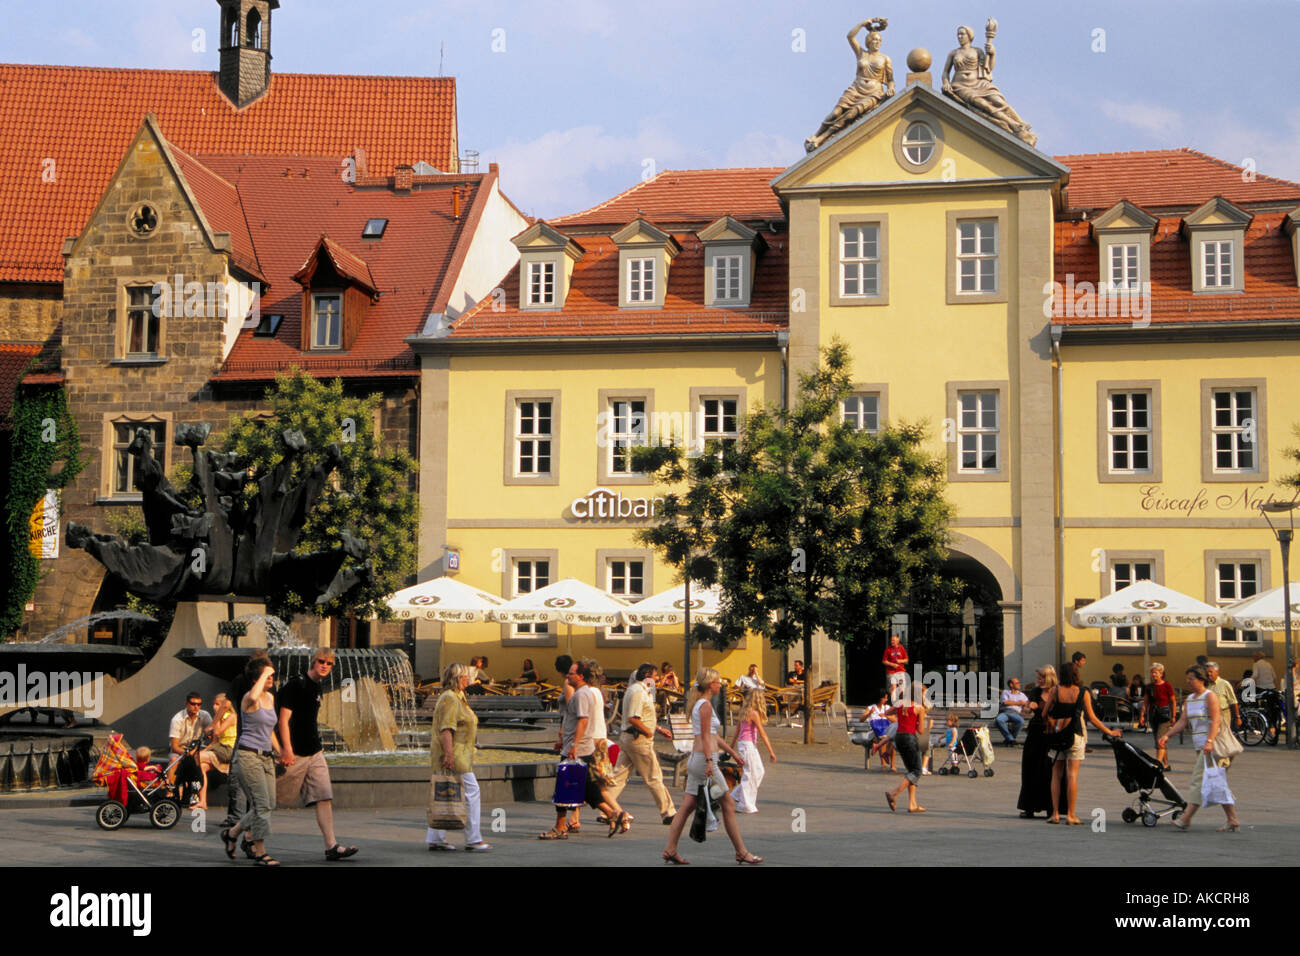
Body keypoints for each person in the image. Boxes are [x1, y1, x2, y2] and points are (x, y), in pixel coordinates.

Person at [662, 668, 763, 865]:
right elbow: (708, 738)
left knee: (687, 806)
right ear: (710, 685)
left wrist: (732, 753)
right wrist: (710, 761)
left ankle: (670, 849)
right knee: (728, 803)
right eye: (718, 682)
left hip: (697, 760)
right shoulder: (705, 706)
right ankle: (741, 852)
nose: (721, 685)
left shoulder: (701, 704)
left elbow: (713, 736)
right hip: (704, 762)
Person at [277, 648, 358, 861]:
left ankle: (331, 845)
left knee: (324, 796)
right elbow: (283, 719)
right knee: (269, 799)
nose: (325, 666)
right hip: (295, 753)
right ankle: (239, 832)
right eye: (321, 661)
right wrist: (286, 749)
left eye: (329, 663)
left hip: (314, 751)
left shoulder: (316, 687)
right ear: (313, 662)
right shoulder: (297, 684)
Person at [540, 659, 627, 839]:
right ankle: (613, 814)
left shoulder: (580, 695)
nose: (568, 675)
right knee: (586, 788)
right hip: (580, 747)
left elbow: (583, 720)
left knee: (565, 787)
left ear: (580, 676)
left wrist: (573, 744)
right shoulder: (585, 692)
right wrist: (565, 741)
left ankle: (560, 827)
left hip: (577, 749)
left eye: (571, 673)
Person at [1159, 666, 1241, 832]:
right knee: (1217, 781)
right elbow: (1183, 721)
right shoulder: (1190, 699)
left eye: (1191, 679)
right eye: (1187, 678)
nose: (1188, 682)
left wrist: (1210, 741)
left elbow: (1216, 720)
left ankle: (1186, 818)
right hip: (1200, 746)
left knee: (1198, 780)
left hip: (1212, 747)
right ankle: (1232, 819)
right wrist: (1168, 735)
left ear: (1201, 680)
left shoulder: (1209, 696)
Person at [1043, 662, 1121, 824]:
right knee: (1072, 775)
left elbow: (1044, 713)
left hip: (1056, 736)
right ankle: (1071, 815)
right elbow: (1092, 718)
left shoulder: (1055, 691)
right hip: (1075, 735)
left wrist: (1053, 723)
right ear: (1076, 674)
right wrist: (1109, 732)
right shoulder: (1083, 692)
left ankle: (1055, 813)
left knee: (1056, 775)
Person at [221, 658, 280, 866]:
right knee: (261, 805)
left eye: (272, 675)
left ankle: (232, 833)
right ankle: (260, 852)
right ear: (256, 678)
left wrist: (280, 751)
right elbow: (254, 694)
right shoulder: (249, 698)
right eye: (267, 675)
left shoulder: (270, 699)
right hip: (248, 756)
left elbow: (269, 729)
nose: (271, 678)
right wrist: (264, 672)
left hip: (266, 757)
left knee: (269, 803)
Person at [427, 662, 491, 852]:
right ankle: (473, 838)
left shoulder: (458, 696)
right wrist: (449, 754)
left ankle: (436, 838)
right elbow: (446, 728)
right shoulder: (450, 698)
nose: (468, 679)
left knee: (442, 791)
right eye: (465, 677)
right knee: (472, 793)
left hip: (458, 754)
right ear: (456, 678)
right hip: (455, 755)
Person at [805, 17, 894, 152]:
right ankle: (815, 135)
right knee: (835, 113)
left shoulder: (885, 59)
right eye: (874, 40)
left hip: (873, 92)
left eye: (879, 40)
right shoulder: (861, 53)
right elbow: (850, 36)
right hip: (856, 88)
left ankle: (822, 139)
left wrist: (891, 89)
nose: (877, 42)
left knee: (850, 115)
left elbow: (890, 79)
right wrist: (863, 24)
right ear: (869, 41)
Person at [940, 24, 1036, 144]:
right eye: (958, 34)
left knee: (998, 100)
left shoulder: (977, 51)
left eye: (962, 34)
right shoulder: (953, 53)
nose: (960, 37)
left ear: (969, 36)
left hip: (979, 83)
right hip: (960, 86)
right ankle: (1012, 124)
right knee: (983, 104)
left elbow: (988, 68)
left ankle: (1020, 123)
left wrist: (992, 54)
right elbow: (945, 72)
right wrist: (946, 82)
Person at [607, 663, 676, 824]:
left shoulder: (638, 690)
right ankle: (668, 813)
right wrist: (649, 731)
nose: (657, 678)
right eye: (655, 675)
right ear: (647, 676)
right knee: (653, 776)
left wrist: (657, 728)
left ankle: (607, 809)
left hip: (630, 738)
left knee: (619, 776)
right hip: (638, 739)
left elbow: (642, 716)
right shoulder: (638, 692)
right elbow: (633, 718)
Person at [1017, 665, 1057, 818]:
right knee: (1031, 768)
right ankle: (1029, 807)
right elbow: (1026, 709)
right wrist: (1028, 707)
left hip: (1051, 733)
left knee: (1050, 770)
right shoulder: (1035, 692)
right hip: (1035, 733)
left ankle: (1051, 807)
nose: (1038, 680)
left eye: (1040, 677)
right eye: (1038, 677)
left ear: (1048, 678)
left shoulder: (1057, 691)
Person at [730, 689, 776, 813]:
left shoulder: (743, 712)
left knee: (759, 771)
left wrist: (731, 747)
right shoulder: (754, 714)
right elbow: (763, 734)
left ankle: (737, 794)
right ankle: (745, 804)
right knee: (750, 773)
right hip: (748, 745)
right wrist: (771, 751)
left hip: (746, 744)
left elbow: (736, 732)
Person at [884, 684, 928, 813]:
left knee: (910, 770)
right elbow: (921, 731)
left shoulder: (900, 704)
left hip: (899, 737)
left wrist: (900, 719)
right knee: (917, 771)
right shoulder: (919, 708)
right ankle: (894, 793)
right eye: (923, 694)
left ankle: (912, 804)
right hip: (910, 738)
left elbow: (887, 713)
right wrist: (918, 722)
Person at [166, 690, 211, 801]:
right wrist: (187, 753)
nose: (196, 707)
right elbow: (175, 746)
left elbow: (213, 732)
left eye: (199, 704)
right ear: (186, 704)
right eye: (193, 704)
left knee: (199, 763)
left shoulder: (204, 715)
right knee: (173, 761)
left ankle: (196, 795)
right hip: (179, 750)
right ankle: (169, 792)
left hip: (196, 748)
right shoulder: (177, 719)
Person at [196, 692, 237, 810]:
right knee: (202, 766)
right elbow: (214, 742)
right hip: (217, 748)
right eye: (214, 704)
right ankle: (202, 801)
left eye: (218, 704)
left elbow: (218, 732)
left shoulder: (231, 717)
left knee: (195, 758)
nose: (215, 707)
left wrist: (217, 719)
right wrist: (204, 750)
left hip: (228, 748)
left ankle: (190, 792)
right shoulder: (217, 719)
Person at [1142, 663, 1177, 771]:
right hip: (1154, 716)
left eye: (1156, 672)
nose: (1153, 675)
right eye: (1152, 672)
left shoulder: (1167, 686)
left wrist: (1174, 716)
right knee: (1160, 741)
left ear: (1161, 674)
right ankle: (1166, 764)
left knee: (1159, 740)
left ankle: (1157, 765)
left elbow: (1173, 701)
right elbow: (1145, 702)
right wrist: (1142, 715)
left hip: (1165, 717)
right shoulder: (1149, 687)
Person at [862, 689, 896, 771]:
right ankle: (883, 764)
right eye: (885, 698)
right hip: (873, 731)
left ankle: (892, 764)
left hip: (885, 730)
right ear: (880, 698)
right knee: (882, 738)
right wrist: (869, 713)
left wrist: (886, 716)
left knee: (891, 738)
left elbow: (895, 720)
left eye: (887, 698)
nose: (886, 700)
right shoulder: (871, 707)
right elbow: (861, 719)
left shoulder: (887, 708)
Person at [1205, 662, 1240, 734]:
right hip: (1209, 716)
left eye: (1210, 672)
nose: (1209, 674)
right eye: (1207, 672)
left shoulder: (1224, 684)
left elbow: (1233, 701)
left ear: (1217, 672)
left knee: (1223, 736)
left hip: (1223, 715)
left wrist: (1237, 717)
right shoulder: (1205, 685)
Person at [994, 677, 1029, 745]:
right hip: (1005, 712)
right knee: (999, 720)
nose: (1019, 684)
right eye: (1017, 683)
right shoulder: (1006, 692)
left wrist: (1024, 704)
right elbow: (1005, 702)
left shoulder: (1022, 695)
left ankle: (1010, 738)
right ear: (1011, 685)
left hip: (1015, 713)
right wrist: (1019, 703)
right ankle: (1011, 739)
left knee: (1021, 721)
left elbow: (1027, 703)